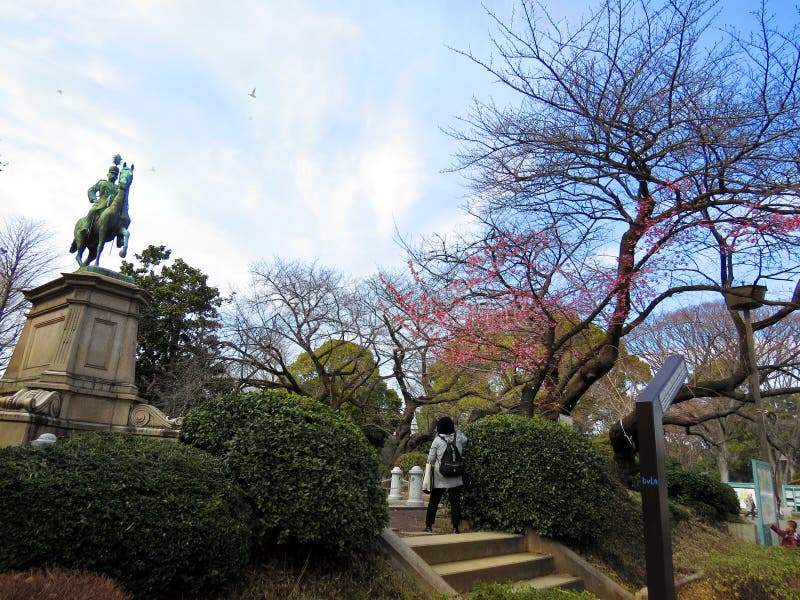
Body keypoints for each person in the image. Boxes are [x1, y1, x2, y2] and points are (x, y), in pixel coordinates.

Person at [424, 416, 467, 534]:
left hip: (440, 476)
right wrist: (456, 430)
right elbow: (466, 439)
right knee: (455, 502)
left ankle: (428, 526)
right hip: (456, 475)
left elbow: (430, 459)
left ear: (439, 427)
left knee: (434, 501)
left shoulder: (437, 440)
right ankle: (455, 528)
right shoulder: (458, 437)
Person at [85, 154, 122, 230]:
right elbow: (91, 190)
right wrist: (94, 199)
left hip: (112, 206)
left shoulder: (118, 188)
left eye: (115, 175)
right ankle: (86, 227)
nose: (113, 176)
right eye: (112, 174)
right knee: (92, 211)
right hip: (100, 203)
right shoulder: (102, 183)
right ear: (108, 174)